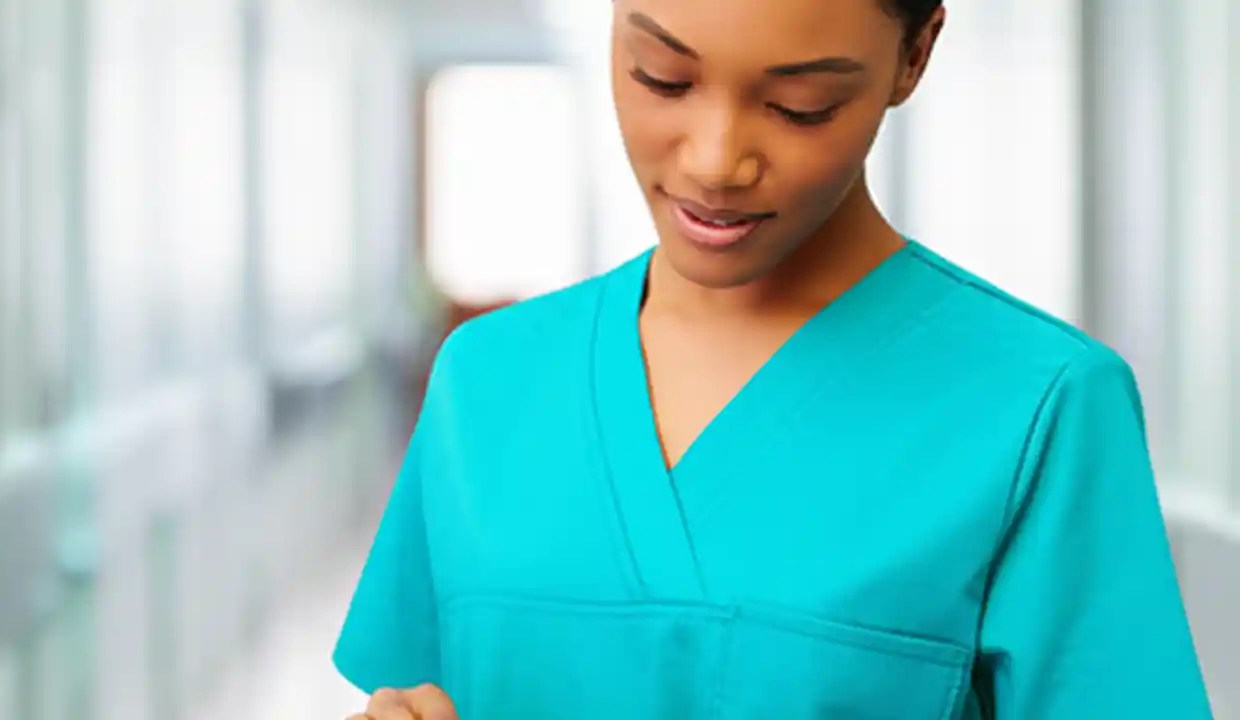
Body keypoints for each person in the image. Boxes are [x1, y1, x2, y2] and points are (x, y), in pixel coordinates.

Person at [335, 0, 1213, 717]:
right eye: (662, 78)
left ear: (915, 56)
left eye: (801, 106)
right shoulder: (486, 379)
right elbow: (417, 694)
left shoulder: (1042, 406)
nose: (717, 163)